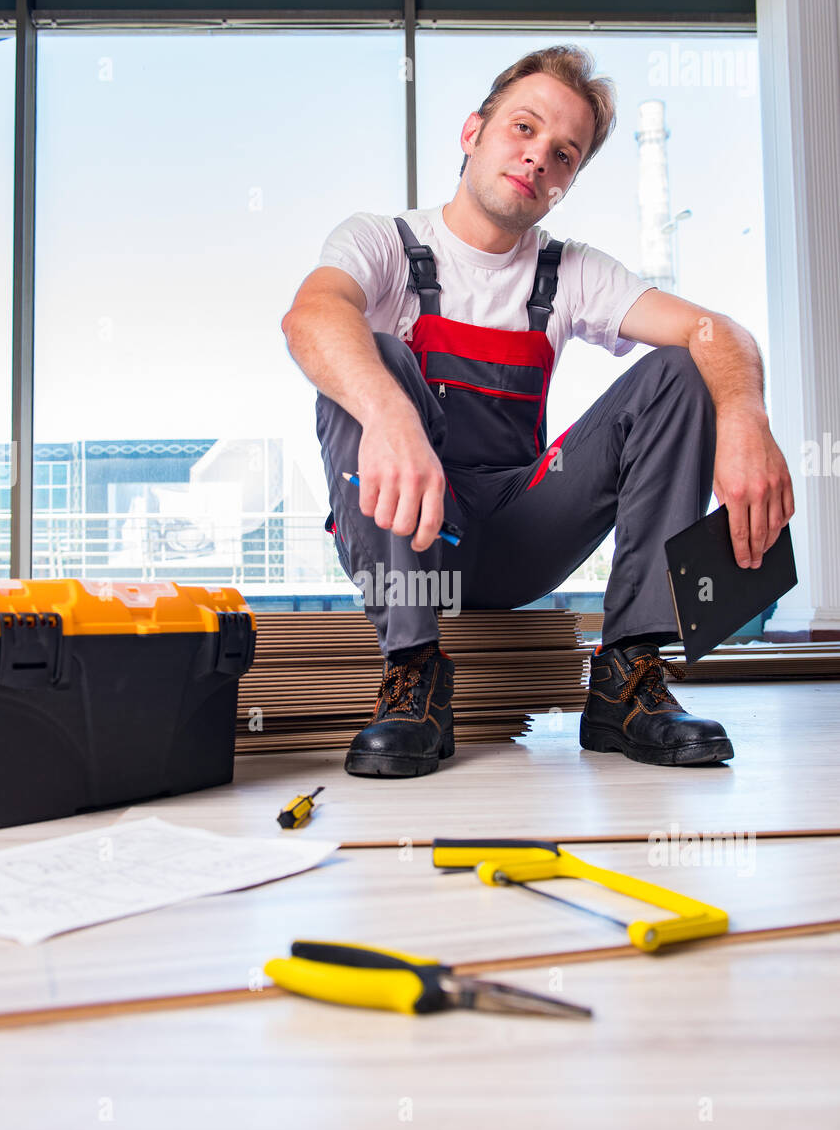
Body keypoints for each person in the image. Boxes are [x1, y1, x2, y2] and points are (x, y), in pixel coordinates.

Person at [281, 45, 794, 777]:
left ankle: (626, 679)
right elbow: (309, 318)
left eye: (562, 153)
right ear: (472, 132)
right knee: (369, 355)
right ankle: (414, 677)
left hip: (521, 536)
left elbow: (717, 332)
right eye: (522, 129)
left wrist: (744, 419)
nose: (536, 159)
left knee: (684, 367)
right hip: (416, 544)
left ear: (568, 180)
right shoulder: (382, 242)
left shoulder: (568, 270)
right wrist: (392, 417)